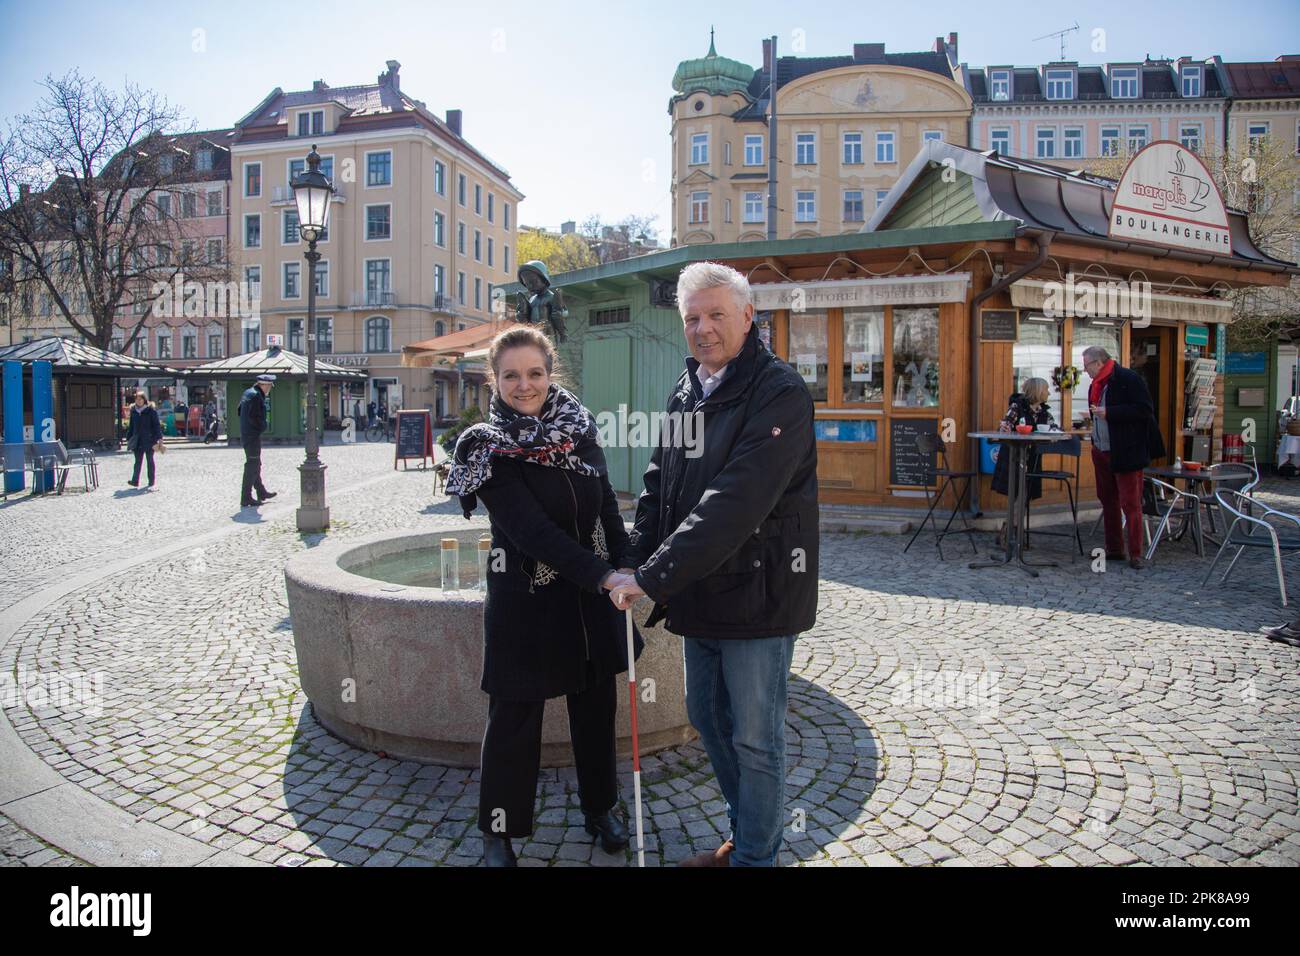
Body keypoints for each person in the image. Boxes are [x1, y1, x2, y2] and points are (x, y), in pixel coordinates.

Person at [606, 261, 818, 868]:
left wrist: (651, 578)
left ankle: (755, 858)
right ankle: (745, 836)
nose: (703, 329)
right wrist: (632, 557)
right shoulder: (688, 387)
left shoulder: (778, 391)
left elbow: (734, 503)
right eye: (692, 317)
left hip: (760, 591)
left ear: (748, 317)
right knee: (707, 717)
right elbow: (660, 484)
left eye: (716, 315)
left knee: (756, 738)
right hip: (702, 590)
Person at [445, 325, 643, 868]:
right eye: (511, 375)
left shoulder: (580, 430)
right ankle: (498, 831)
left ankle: (602, 807)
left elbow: (605, 505)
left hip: (590, 601)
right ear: (494, 380)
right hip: (526, 603)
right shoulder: (485, 448)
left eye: (534, 373)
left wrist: (625, 563)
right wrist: (605, 577)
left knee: (596, 707)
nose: (524, 386)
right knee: (514, 717)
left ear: (550, 374)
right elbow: (532, 533)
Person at [1081, 345, 1165, 569]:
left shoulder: (1128, 378)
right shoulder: (1096, 384)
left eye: (1086, 365)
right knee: (1108, 500)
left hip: (1126, 449)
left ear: (1099, 363)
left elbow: (1144, 410)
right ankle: (1115, 549)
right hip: (1101, 448)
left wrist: (1111, 413)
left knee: (1130, 503)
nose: (1085, 369)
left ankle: (1135, 553)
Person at [991, 377, 1056, 546]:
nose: (1049, 392)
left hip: (1032, 458)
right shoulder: (1017, 407)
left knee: (1024, 496)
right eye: (1046, 389)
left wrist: (1056, 433)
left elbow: (1054, 427)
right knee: (1018, 495)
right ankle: (1011, 533)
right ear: (1038, 391)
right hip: (1014, 455)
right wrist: (1003, 427)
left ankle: (1010, 532)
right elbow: (1004, 426)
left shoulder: (1044, 412)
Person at [239, 374, 278, 507]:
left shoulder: (248, 393)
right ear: (265, 385)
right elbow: (254, 417)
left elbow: (239, 411)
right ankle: (246, 497)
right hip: (252, 435)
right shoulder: (256, 396)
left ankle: (261, 492)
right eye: (269, 386)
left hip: (246, 433)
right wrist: (262, 426)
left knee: (255, 463)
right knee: (252, 465)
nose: (270, 389)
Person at [125, 390, 161, 488]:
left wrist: (159, 438)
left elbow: (156, 425)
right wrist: (129, 437)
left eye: (140, 399)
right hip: (138, 440)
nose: (138, 401)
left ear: (144, 400)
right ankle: (135, 480)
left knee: (150, 461)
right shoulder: (134, 411)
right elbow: (131, 426)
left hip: (149, 439)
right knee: (138, 461)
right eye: (137, 399)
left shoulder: (151, 411)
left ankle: (151, 481)